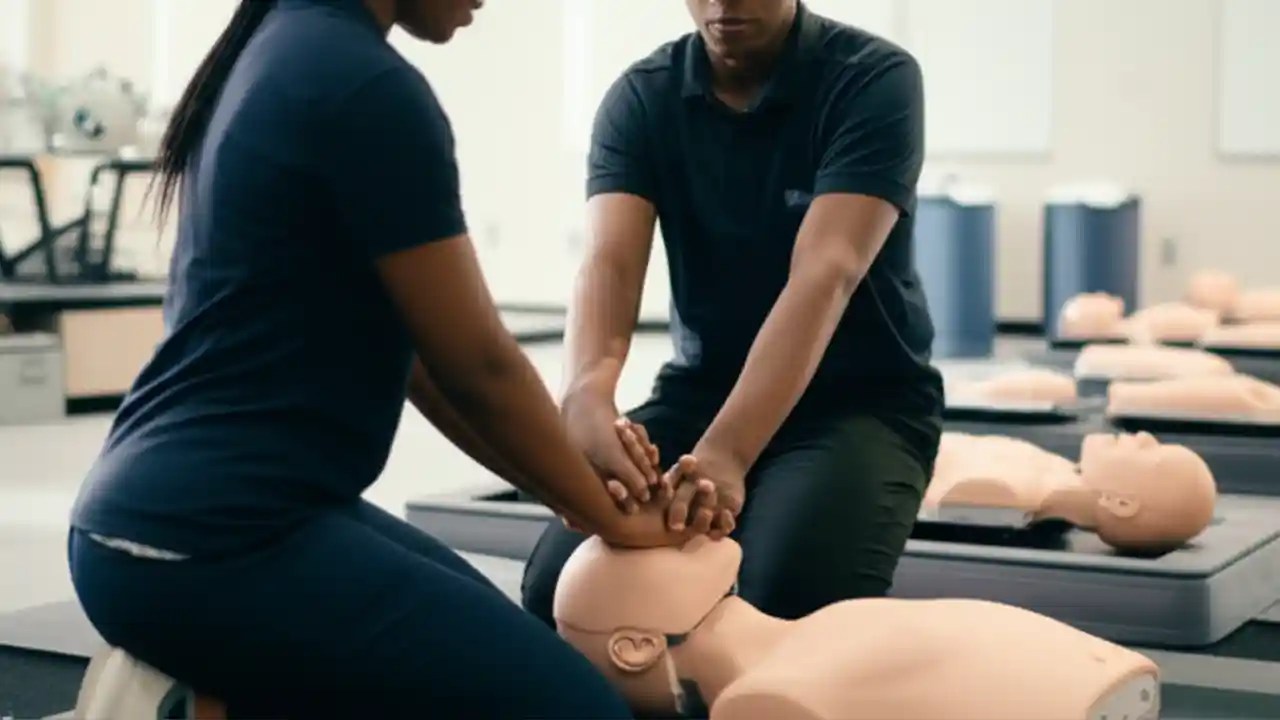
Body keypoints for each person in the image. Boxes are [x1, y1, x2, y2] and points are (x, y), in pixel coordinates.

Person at [65, 1, 694, 717]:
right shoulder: (365, 87)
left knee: (512, 651)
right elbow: (479, 369)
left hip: (185, 522)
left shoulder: (290, 44)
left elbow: (429, 363)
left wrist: (572, 491)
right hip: (203, 545)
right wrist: (612, 520)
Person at [522, 0, 945, 624]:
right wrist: (585, 397)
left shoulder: (873, 78)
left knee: (777, 603)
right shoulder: (642, 97)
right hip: (701, 391)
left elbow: (826, 271)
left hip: (859, 404)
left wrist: (728, 453)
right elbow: (608, 260)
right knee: (555, 589)